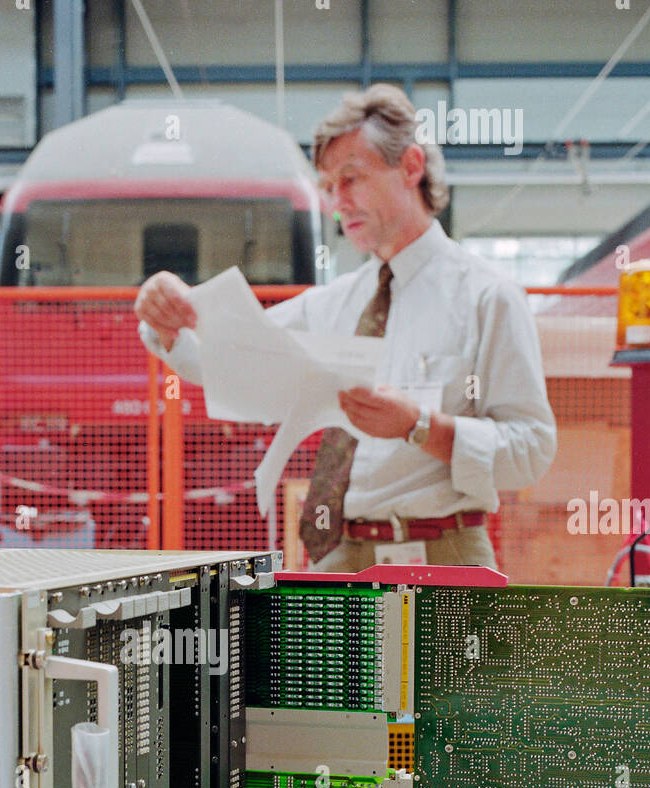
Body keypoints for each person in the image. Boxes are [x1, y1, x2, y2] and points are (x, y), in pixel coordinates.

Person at [134, 84, 556, 570]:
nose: (338, 203)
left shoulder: (488, 297)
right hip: (341, 554)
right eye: (330, 187)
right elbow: (228, 359)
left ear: (411, 167)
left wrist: (418, 427)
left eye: (351, 179)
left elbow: (531, 450)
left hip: (444, 555)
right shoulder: (333, 305)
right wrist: (169, 319)